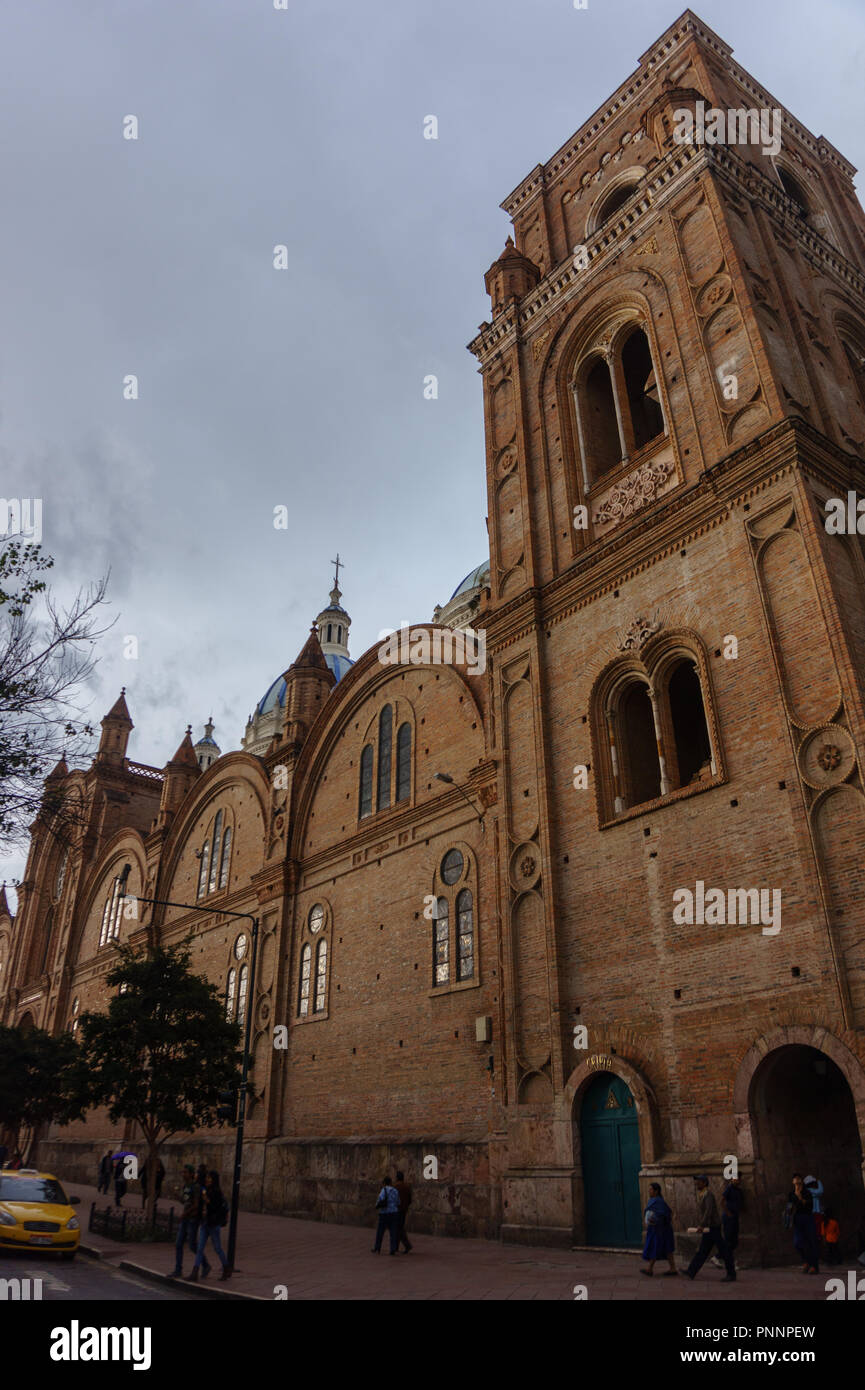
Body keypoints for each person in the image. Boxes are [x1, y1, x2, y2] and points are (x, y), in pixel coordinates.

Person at [684, 1174, 736, 1282]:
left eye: (698, 1181)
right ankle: (691, 1271)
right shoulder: (703, 1194)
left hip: (713, 1227)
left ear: (704, 1183)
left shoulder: (708, 1195)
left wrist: (701, 1225)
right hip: (709, 1228)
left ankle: (731, 1274)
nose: (696, 1183)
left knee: (724, 1251)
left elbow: (708, 1211)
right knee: (702, 1251)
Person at [185, 1171, 230, 1282]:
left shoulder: (217, 1192)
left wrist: (207, 1201)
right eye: (207, 1178)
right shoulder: (205, 1190)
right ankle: (195, 1272)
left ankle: (226, 1267)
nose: (207, 1179)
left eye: (209, 1178)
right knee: (200, 1248)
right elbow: (201, 1205)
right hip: (205, 1223)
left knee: (217, 1248)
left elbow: (216, 1207)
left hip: (213, 1224)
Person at [170, 1165, 210, 1279]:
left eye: (186, 1172)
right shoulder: (185, 1187)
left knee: (192, 1245)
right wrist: (178, 1197)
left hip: (192, 1218)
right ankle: (178, 1269)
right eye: (183, 1172)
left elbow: (196, 1205)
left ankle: (205, 1264)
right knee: (178, 1244)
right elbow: (186, 1201)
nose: (183, 1174)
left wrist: (185, 1214)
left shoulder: (195, 1187)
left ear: (191, 1174)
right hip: (186, 1218)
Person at [640, 1182, 677, 1277]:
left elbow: (666, 1213)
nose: (649, 1191)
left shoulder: (659, 1201)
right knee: (666, 1248)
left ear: (656, 1191)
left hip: (661, 1229)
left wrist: (655, 1219)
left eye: (651, 1189)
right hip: (657, 1229)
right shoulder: (653, 1200)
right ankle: (672, 1268)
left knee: (656, 1247)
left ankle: (650, 1269)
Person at [788, 1173, 819, 1274]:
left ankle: (814, 1266)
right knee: (798, 1243)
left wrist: (800, 1197)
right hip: (797, 1219)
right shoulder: (791, 1194)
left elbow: (809, 1206)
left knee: (811, 1242)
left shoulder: (807, 1193)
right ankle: (806, 1261)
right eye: (794, 1179)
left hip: (807, 1218)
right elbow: (789, 1206)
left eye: (798, 1178)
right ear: (793, 1182)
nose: (796, 1180)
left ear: (801, 1181)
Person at [713, 1177, 744, 1269]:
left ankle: (718, 1257)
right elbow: (721, 1201)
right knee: (729, 1240)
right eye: (735, 1179)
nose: (737, 1181)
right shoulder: (729, 1189)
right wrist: (728, 1213)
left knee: (734, 1241)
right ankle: (730, 1263)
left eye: (738, 1179)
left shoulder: (738, 1191)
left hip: (735, 1217)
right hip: (729, 1218)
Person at [371, 1175, 400, 1255]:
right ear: (391, 1182)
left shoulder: (383, 1190)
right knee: (393, 1232)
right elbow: (398, 1202)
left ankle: (377, 1247)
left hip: (384, 1213)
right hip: (394, 1212)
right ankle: (393, 1248)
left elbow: (380, 1199)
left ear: (384, 1183)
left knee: (380, 1231)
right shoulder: (395, 1191)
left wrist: (376, 1206)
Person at [393, 1169, 413, 1253]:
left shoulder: (395, 1187)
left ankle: (407, 1245)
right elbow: (409, 1200)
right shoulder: (407, 1187)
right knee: (398, 1227)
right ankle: (396, 1246)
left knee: (399, 1228)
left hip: (397, 1209)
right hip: (404, 1210)